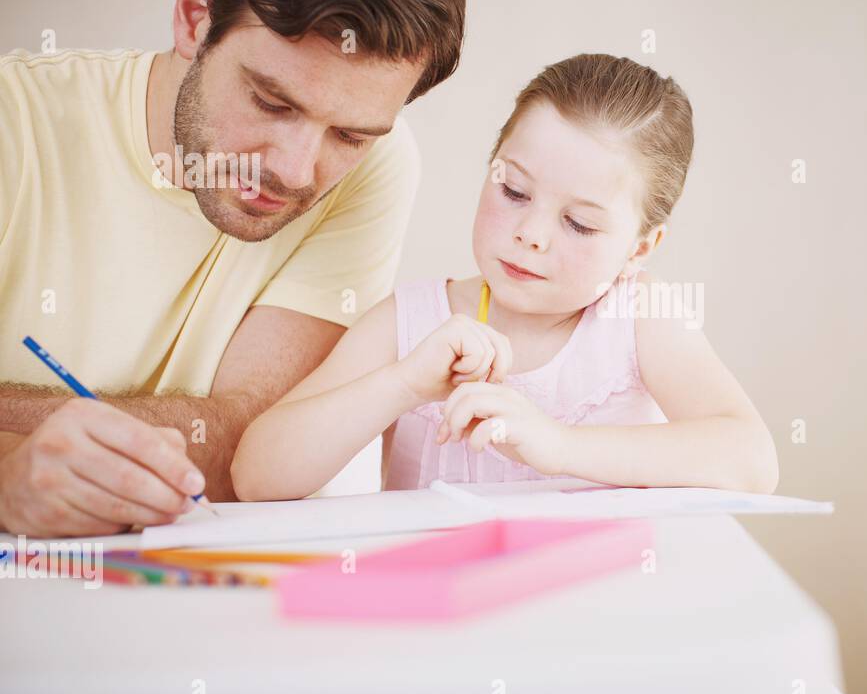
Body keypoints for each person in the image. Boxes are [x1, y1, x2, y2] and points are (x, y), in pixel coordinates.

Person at [0, 0, 466, 536]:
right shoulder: (15, 125)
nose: (295, 170)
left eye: (349, 134)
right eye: (272, 102)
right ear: (196, 18)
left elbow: (250, 449)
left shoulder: (377, 167)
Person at [231, 55, 779, 497]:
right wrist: (403, 385)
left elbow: (752, 460)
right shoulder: (411, 321)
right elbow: (256, 476)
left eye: (580, 223)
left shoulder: (638, 318)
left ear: (640, 248)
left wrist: (560, 446)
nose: (532, 234)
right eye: (513, 191)